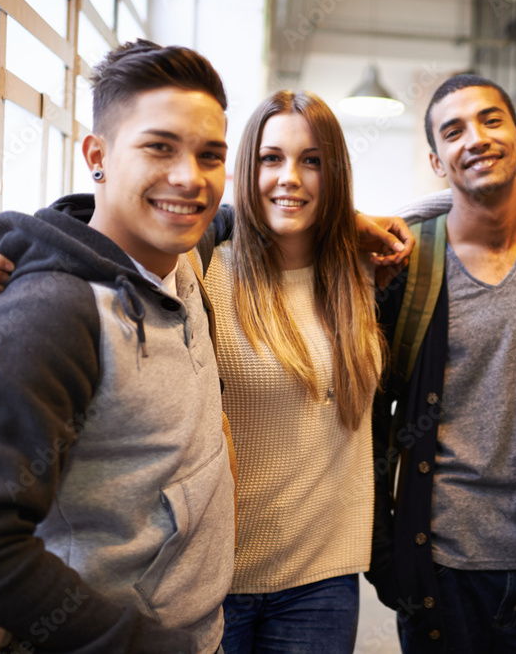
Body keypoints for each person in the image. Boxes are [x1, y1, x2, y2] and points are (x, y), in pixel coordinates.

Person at [0, 39, 236, 653]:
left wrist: (362, 224)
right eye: (159, 147)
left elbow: (251, 214)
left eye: (210, 155)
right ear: (96, 155)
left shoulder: (183, 261)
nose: (189, 178)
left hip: (203, 629)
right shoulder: (48, 314)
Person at [367, 74, 516, 652]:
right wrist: (388, 557)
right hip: (444, 565)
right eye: (454, 131)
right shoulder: (407, 268)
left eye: (491, 120)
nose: (475, 139)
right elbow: (368, 420)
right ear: (437, 160)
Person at [209, 90, 383, 653]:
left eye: (312, 161)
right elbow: (110, 229)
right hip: (215, 582)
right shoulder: (203, 268)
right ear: (246, 168)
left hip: (323, 579)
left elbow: (471, 204)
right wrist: (20, 260)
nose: (292, 178)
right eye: (271, 158)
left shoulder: (363, 274)